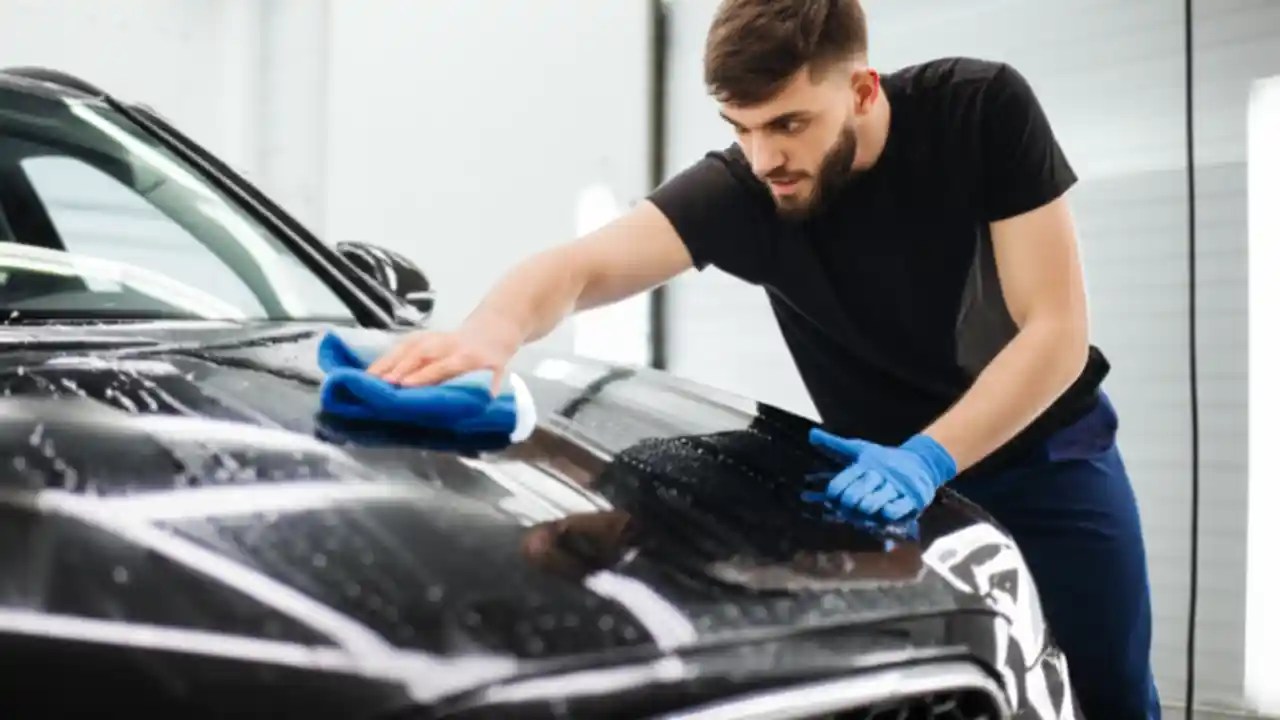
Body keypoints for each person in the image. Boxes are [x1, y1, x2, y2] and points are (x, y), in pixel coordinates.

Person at [367, 0, 1160, 716]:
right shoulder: (750, 192)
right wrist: (491, 332)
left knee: (1111, 691)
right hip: (877, 489)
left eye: (788, 123)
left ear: (862, 90)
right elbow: (579, 268)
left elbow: (1055, 330)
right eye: (740, 128)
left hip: (1045, 458)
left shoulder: (980, 111)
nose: (762, 157)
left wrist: (928, 457)